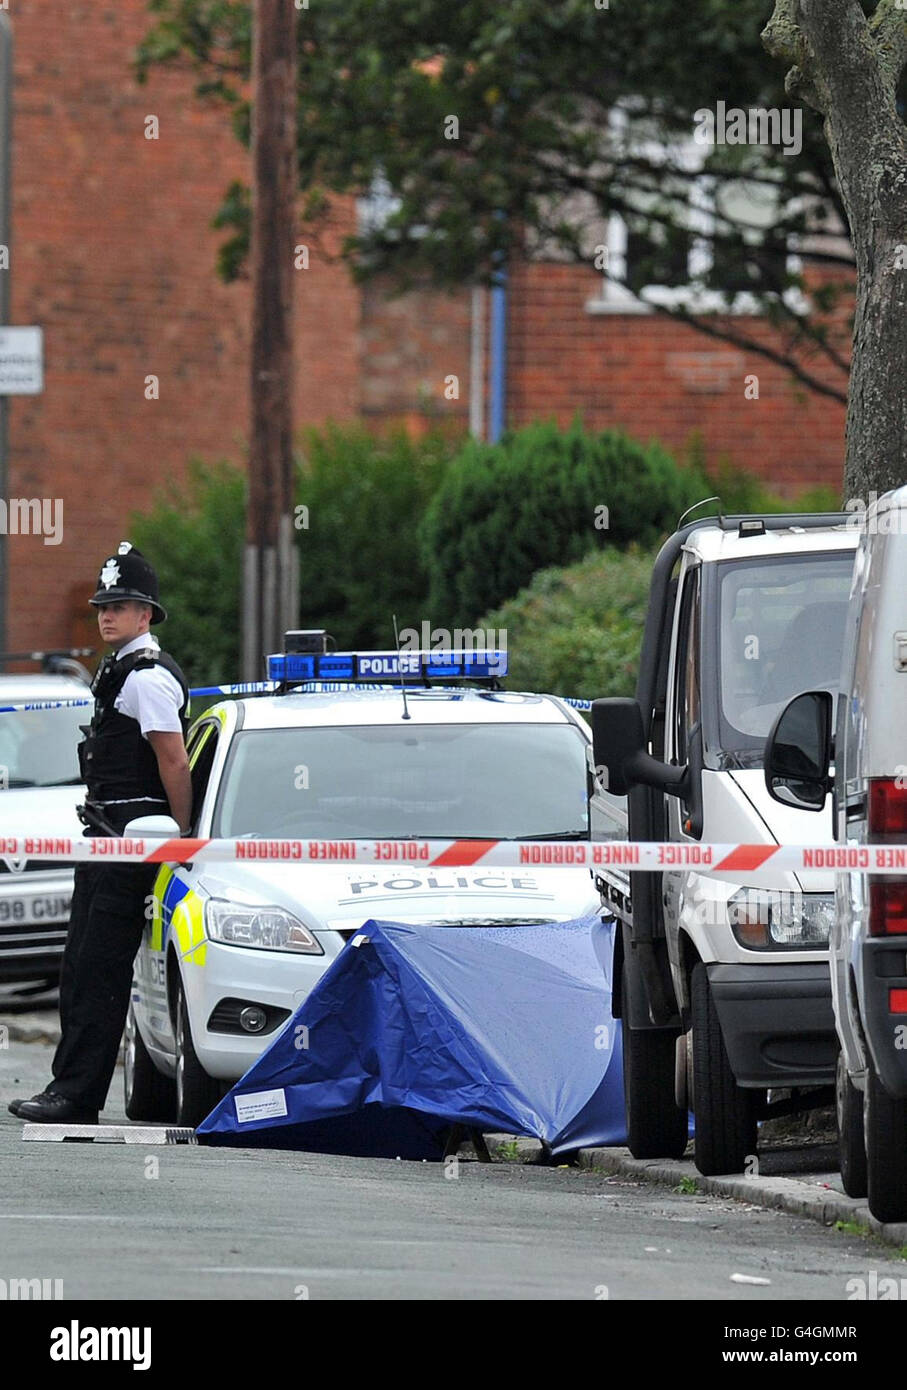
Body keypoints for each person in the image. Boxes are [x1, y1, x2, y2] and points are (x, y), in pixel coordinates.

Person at [8, 542, 191, 1124]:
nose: (107, 615)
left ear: (147, 614)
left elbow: (174, 763)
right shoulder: (121, 670)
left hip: (133, 844)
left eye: (122, 605)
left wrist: (181, 839)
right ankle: (70, 1088)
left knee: (100, 970)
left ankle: (77, 1096)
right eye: (103, 605)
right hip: (105, 837)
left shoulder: (148, 677)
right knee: (80, 967)